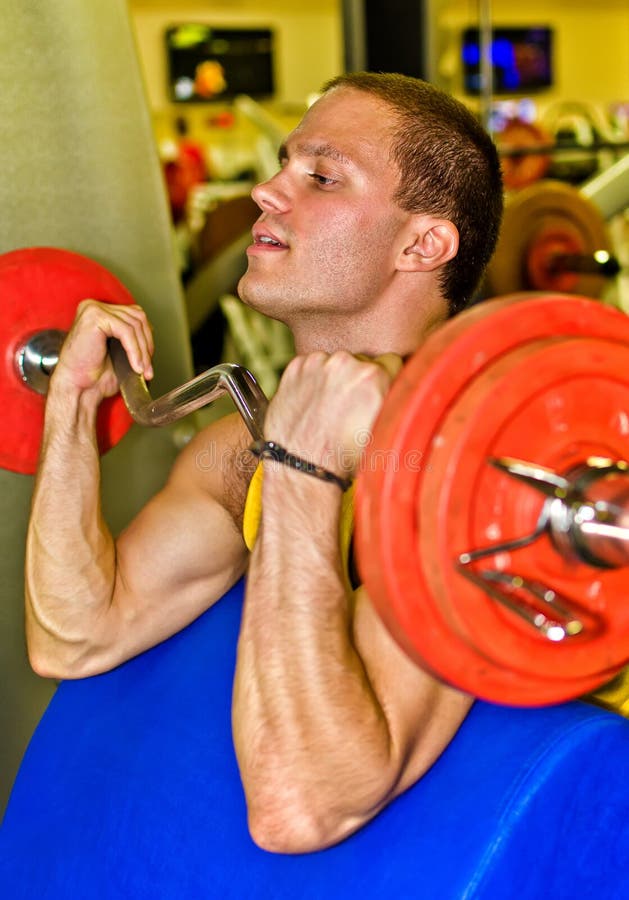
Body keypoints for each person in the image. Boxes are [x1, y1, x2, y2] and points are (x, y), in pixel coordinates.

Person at [24, 72, 504, 854]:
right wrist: (72, 406)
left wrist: (302, 469)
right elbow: (74, 635)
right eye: (283, 165)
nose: (265, 191)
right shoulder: (241, 450)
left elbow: (299, 809)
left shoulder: (474, 471)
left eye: (321, 177)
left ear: (422, 245)